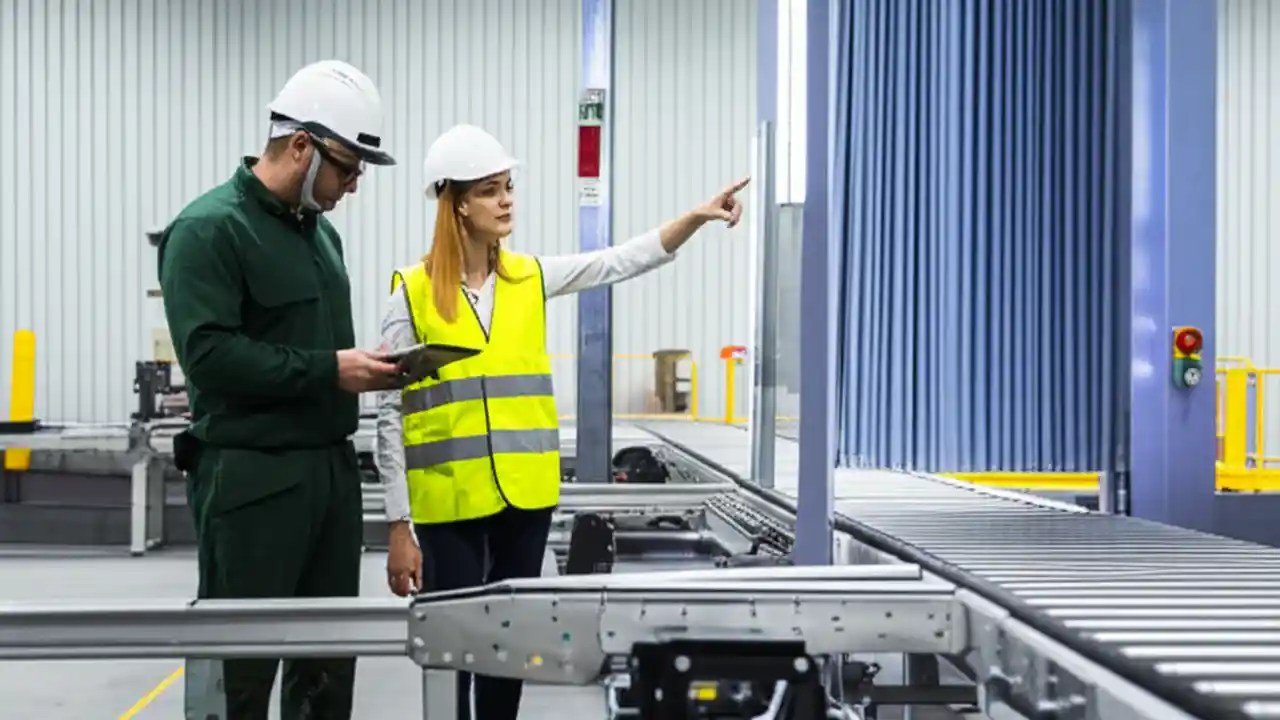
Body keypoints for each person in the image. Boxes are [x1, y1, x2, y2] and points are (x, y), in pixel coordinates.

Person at [375, 123, 749, 720]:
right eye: (491, 190)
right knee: (455, 648)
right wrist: (399, 524)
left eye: (509, 187)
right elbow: (390, 413)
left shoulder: (530, 277)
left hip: (525, 498)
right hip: (449, 503)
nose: (507, 201)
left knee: (511, 647)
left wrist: (695, 218)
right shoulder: (412, 294)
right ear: (458, 205)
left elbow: (618, 261)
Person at [157, 59, 406, 720]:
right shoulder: (209, 230)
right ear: (301, 146)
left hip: (330, 475)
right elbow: (209, 357)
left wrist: (366, 368)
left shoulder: (323, 237)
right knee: (240, 667)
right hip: (253, 480)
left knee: (328, 663)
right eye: (346, 168)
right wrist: (331, 370)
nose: (353, 185)